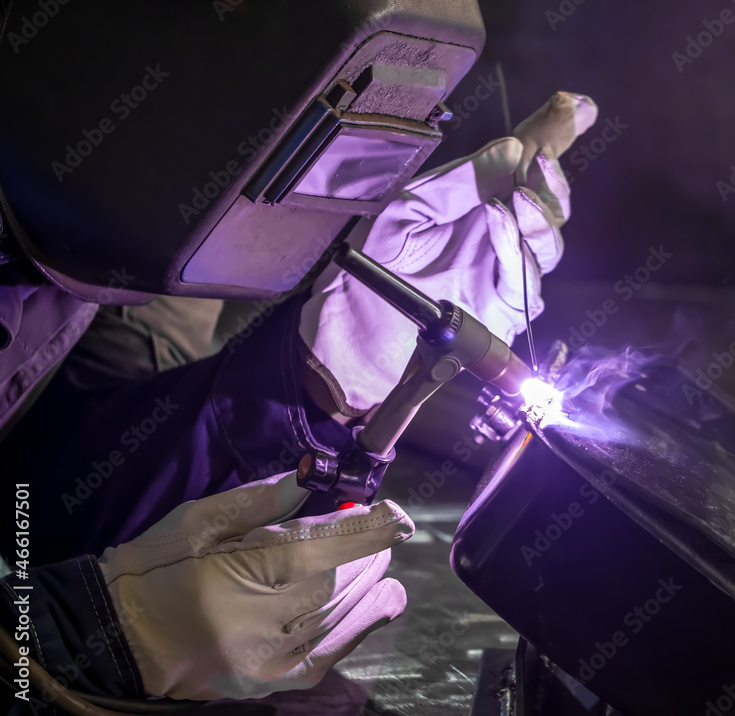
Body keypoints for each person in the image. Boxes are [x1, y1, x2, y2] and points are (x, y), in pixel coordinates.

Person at [0, 81, 598, 712]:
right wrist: (87, 633)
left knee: (170, 234)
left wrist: (324, 385)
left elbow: (69, 457)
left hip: (46, 383)